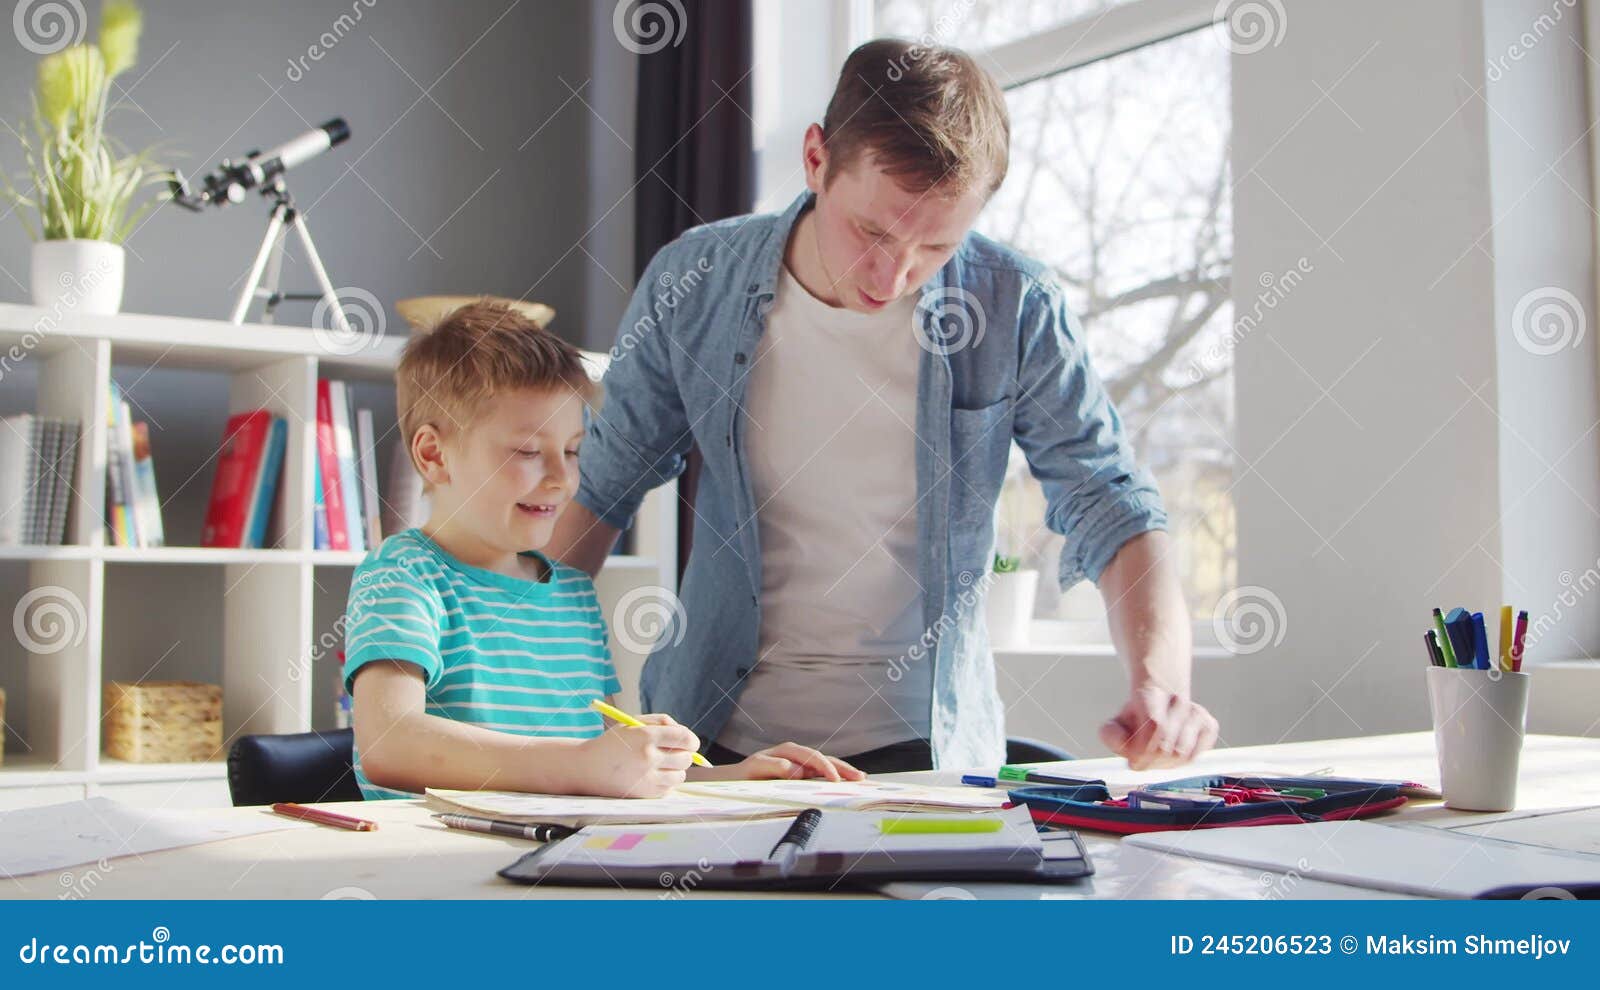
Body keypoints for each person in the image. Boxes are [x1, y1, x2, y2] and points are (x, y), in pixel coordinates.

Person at [548, 39, 1219, 775]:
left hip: (925, 751)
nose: (892, 274)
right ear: (815, 159)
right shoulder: (695, 279)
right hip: (709, 746)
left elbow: (1111, 501)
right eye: (871, 230)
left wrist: (1160, 686)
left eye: (935, 246)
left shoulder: (1013, 303)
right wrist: (513, 695)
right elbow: (601, 489)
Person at [342, 301, 863, 799]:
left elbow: (609, 772)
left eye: (572, 451)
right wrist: (582, 764)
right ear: (434, 455)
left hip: (553, 857)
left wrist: (740, 778)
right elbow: (390, 744)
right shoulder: (405, 575)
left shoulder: (571, 591)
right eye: (527, 451)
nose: (560, 478)